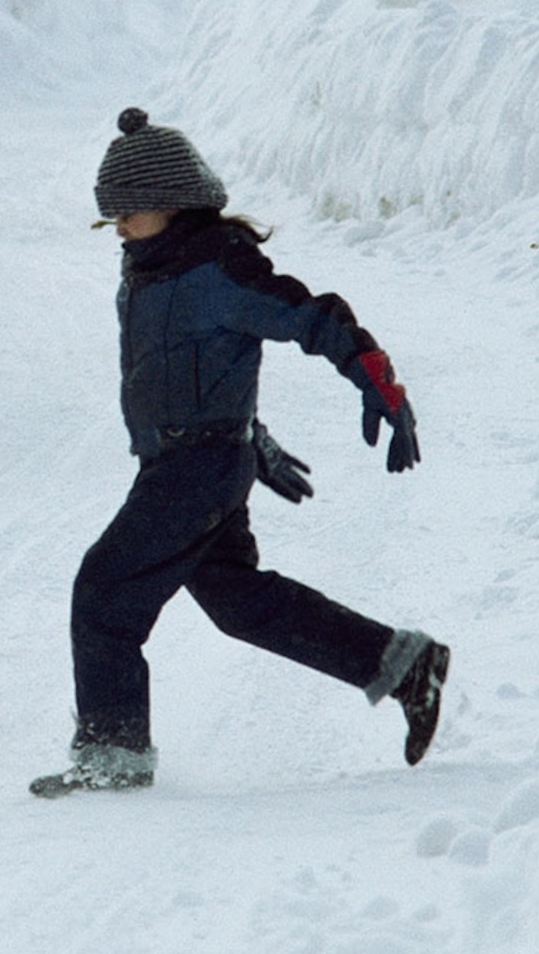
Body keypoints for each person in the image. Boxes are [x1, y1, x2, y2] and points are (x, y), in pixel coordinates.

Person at [34, 107, 448, 798]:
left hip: (195, 471)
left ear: (173, 202)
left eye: (130, 211)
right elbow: (200, 371)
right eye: (112, 216)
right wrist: (249, 434)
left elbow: (314, 317)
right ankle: (403, 665)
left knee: (105, 593)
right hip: (193, 462)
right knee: (237, 601)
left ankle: (113, 757)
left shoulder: (219, 271)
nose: (119, 226)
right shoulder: (149, 270)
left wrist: (379, 383)